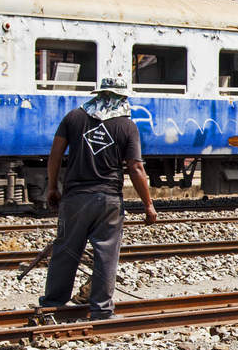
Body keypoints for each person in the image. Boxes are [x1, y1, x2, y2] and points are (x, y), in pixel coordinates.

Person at [40, 75, 157, 320]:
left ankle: (52, 305)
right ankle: (102, 310)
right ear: (122, 97)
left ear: (98, 93)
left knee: (65, 250)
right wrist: (148, 204)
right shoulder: (127, 126)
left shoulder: (73, 117)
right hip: (108, 200)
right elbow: (136, 168)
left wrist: (52, 188)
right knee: (106, 253)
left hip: (74, 198)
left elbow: (55, 155)